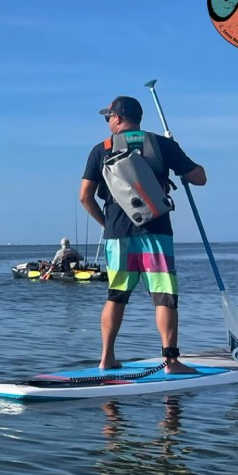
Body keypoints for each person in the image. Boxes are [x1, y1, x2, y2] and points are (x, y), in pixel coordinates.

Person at [79, 96, 206, 374]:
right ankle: (171, 362)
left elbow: (85, 197)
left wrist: (106, 224)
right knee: (164, 296)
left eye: (108, 117)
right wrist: (177, 155)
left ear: (118, 118)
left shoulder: (101, 149)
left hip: (117, 234)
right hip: (156, 230)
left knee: (117, 295)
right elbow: (200, 177)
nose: (108, 122)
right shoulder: (162, 144)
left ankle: (106, 358)